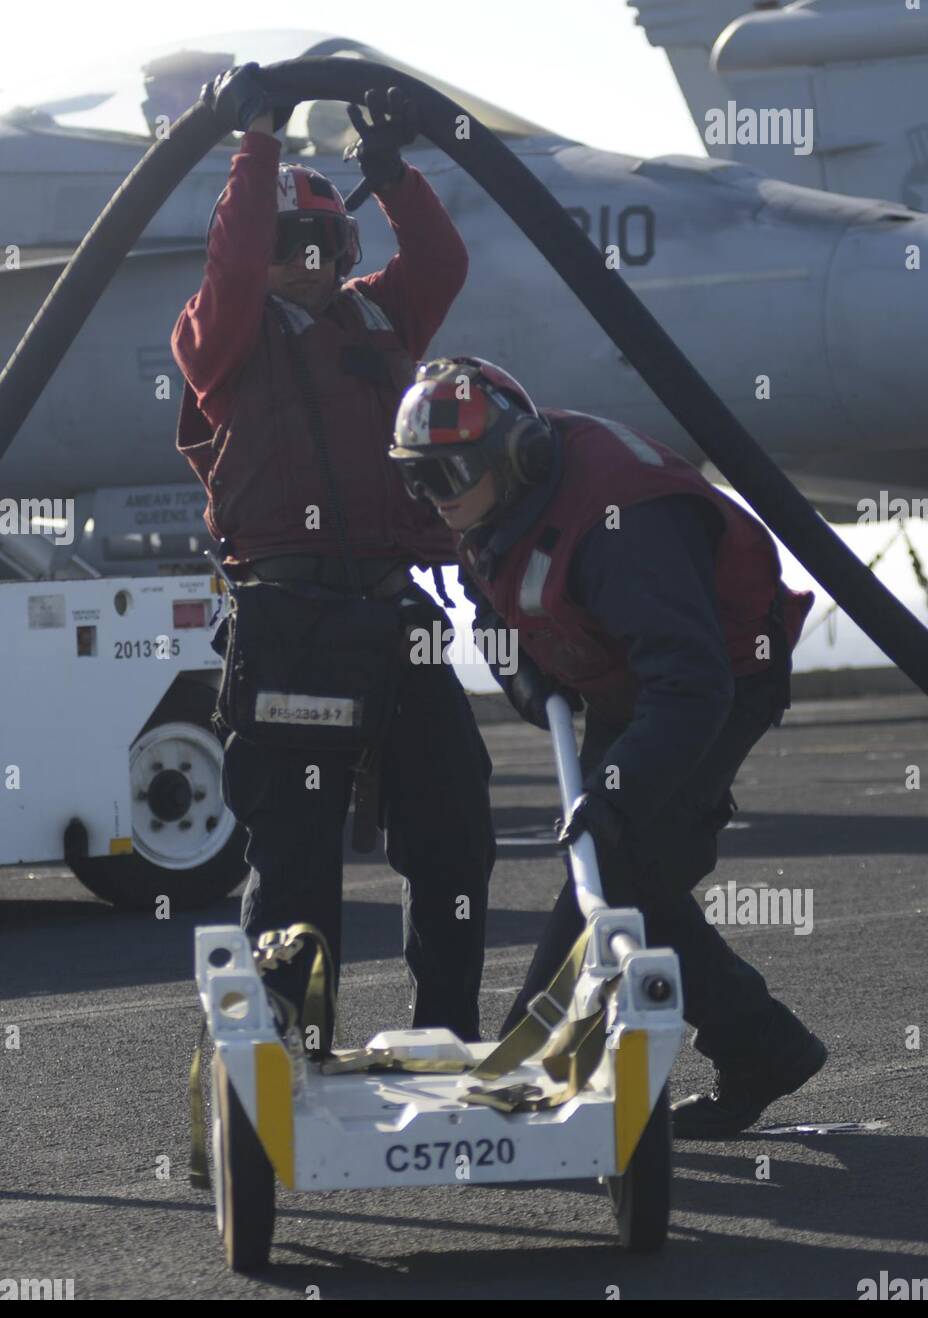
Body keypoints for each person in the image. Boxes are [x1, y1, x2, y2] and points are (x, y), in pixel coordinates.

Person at [389, 355, 827, 1138]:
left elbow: (692, 684)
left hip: (714, 681)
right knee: (633, 870)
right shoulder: (490, 499)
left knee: (615, 856)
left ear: (514, 453)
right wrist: (526, 681)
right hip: (630, 681)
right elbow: (492, 606)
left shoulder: (622, 518)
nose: (436, 496)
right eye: (419, 479)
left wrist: (617, 791)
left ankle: (536, 1059)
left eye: (450, 472)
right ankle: (763, 1045)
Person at [171, 69, 494, 1044]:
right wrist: (255, 144)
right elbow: (228, 276)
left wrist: (392, 171)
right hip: (291, 623)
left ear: (341, 247)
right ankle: (288, 1043)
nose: (303, 262)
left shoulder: (380, 318)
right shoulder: (221, 338)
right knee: (300, 853)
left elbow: (439, 259)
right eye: (282, 246)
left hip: (395, 611)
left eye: (317, 242)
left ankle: (444, 1032)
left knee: (451, 828)